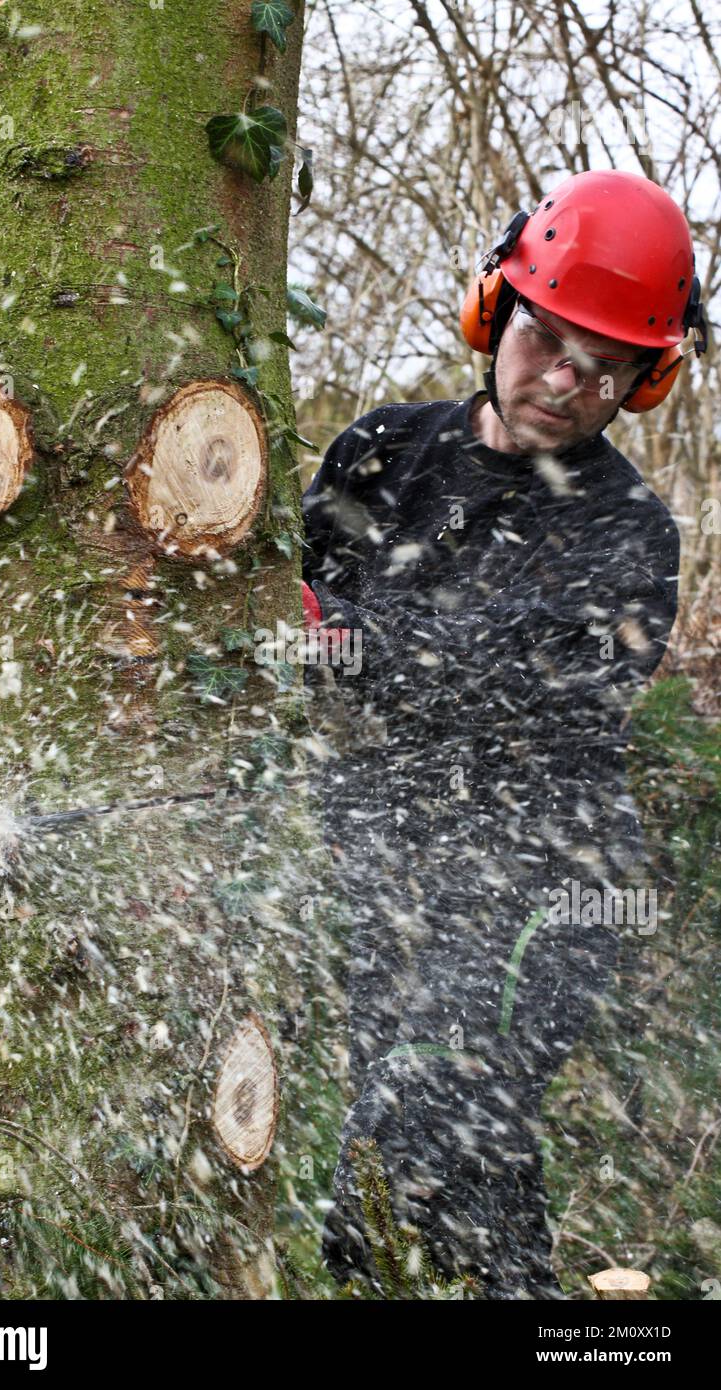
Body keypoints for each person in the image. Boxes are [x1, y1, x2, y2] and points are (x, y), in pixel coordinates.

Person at [300, 169, 707, 1299]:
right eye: (550, 339)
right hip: (379, 862)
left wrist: (350, 647)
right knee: (415, 1181)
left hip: (549, 886)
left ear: (643, 379)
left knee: (415, 1119)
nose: (567, 381)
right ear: (498, 310)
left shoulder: (628, 530)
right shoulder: (382, 453)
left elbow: (515, 700)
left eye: (606, 366)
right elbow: (277, 612)